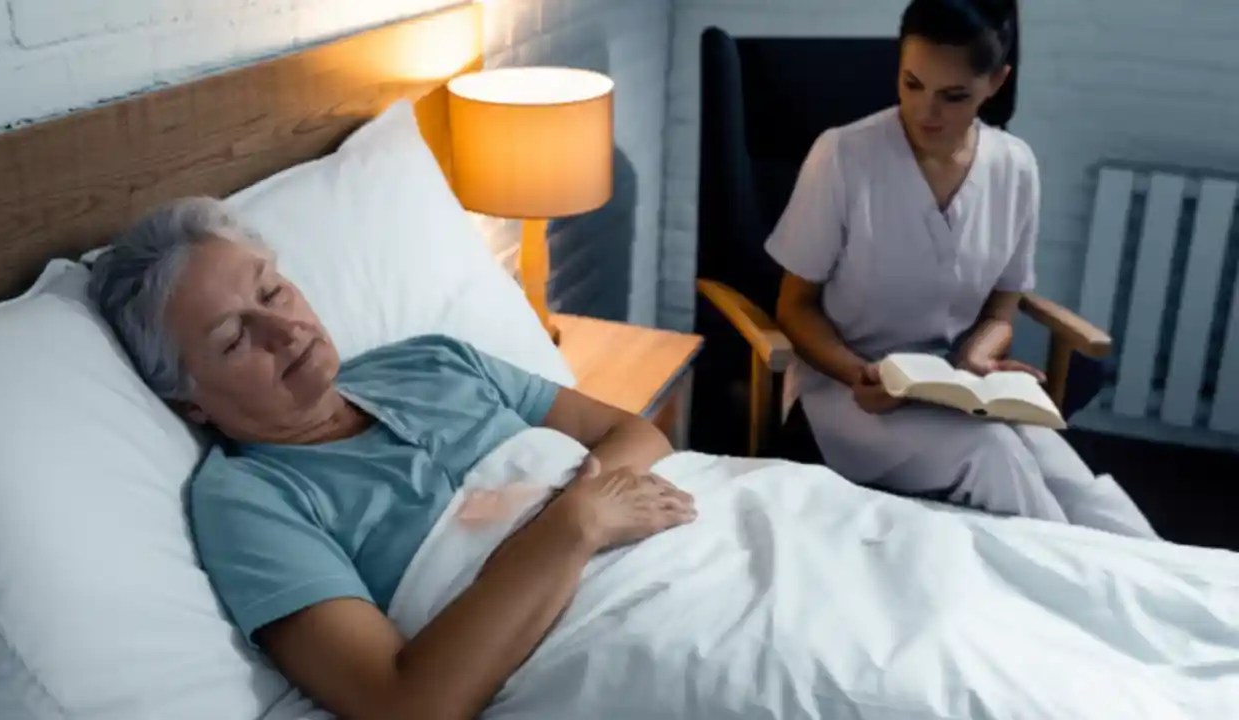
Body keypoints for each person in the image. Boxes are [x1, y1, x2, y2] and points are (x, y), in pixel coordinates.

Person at [89, 197, 697, 720]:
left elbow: (635, 434)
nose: (283, 330)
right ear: (191, 405)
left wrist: (575, 508)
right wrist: (571, 525)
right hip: (626, 643)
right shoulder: (249, 499)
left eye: (273, 290)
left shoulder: (432, 359)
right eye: (233, 339)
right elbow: (404, 706)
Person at [767, 0, 1156, 537]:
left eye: (953, 96)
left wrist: (978, 355)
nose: (926, 112)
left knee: (1072, 481)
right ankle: (1082, 602)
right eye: (912, 84)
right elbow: (795, 305)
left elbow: (1003, 302)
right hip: (850, 394)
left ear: (996, 82)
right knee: (994, 455)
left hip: (953, 385)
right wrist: (858, 373)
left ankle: (1180, 589)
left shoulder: (1014, 167)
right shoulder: (844, 157)